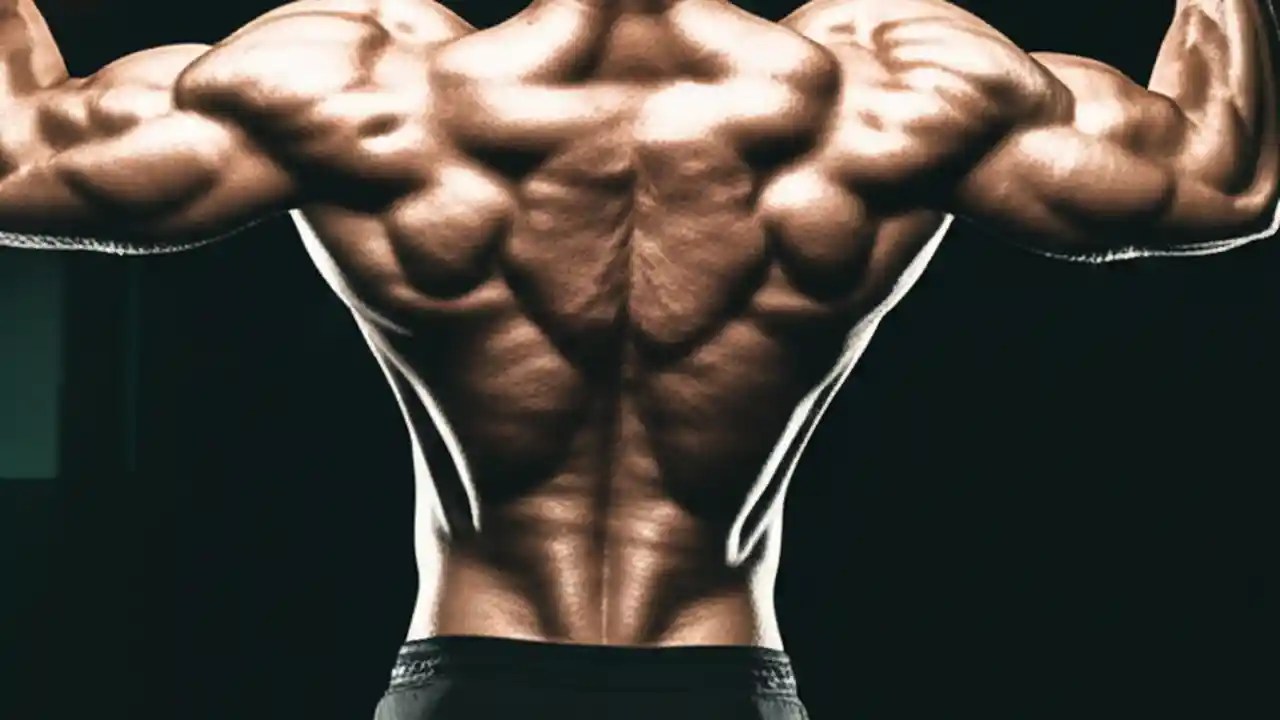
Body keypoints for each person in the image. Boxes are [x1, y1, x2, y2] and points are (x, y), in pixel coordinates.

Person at [1, 0, 1276, 718]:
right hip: (723, 681)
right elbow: (1224, 176)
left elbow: (18, 157)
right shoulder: (892, 90)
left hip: (466, 680)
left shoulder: (361, 85)